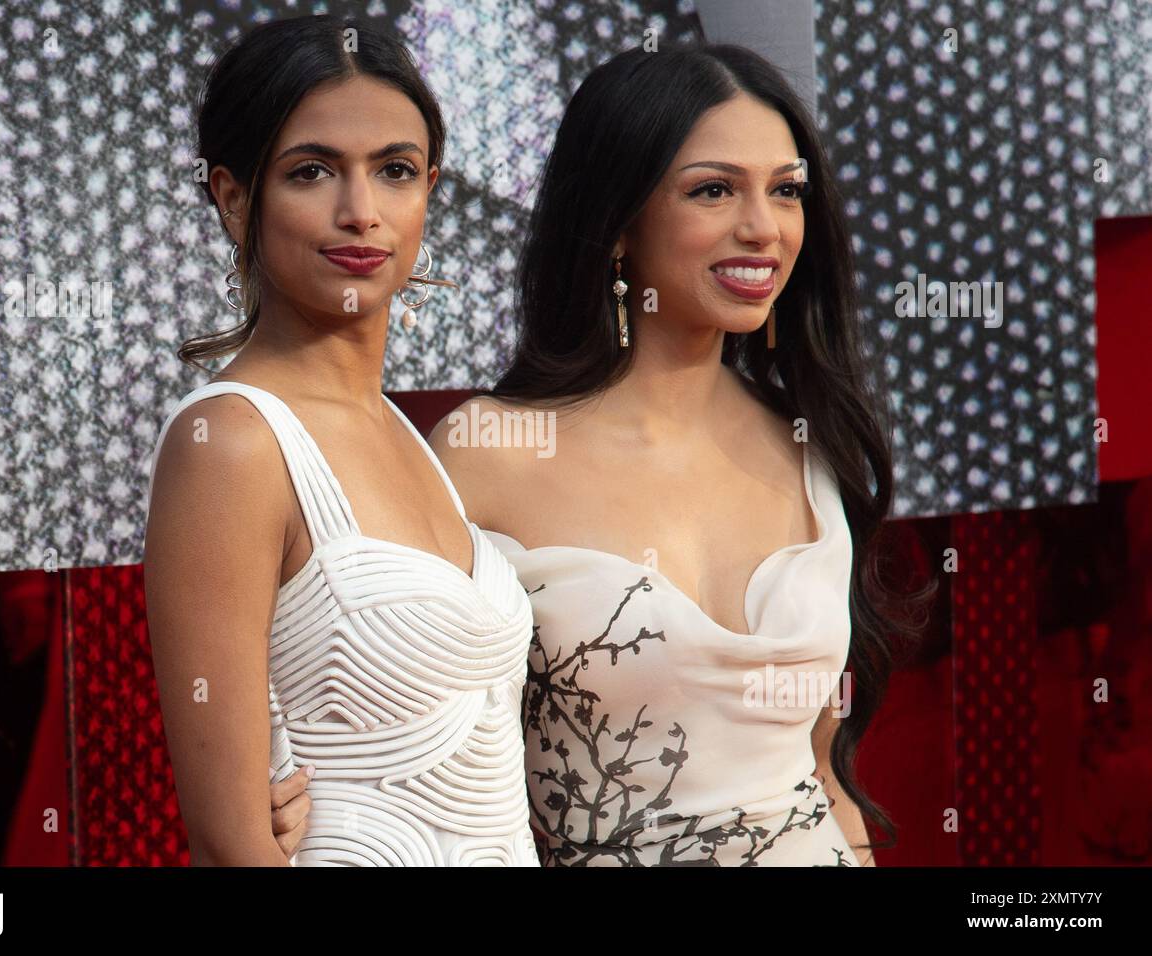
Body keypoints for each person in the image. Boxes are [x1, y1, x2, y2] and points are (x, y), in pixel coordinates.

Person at [421, 43, 930, 865]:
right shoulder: (487, 453)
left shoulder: (809, 437)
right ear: (617, 221)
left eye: (786, 190)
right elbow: (433, 774)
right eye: (714, 189)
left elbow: (822, 776)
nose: (763, 227)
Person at [145, 15, 539, 866]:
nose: (361, 212)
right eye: (312, 171)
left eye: (395, 171)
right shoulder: (231, 444)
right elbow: (230, 843)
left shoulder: (407, 436)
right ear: (233, 195)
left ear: (430, 188)